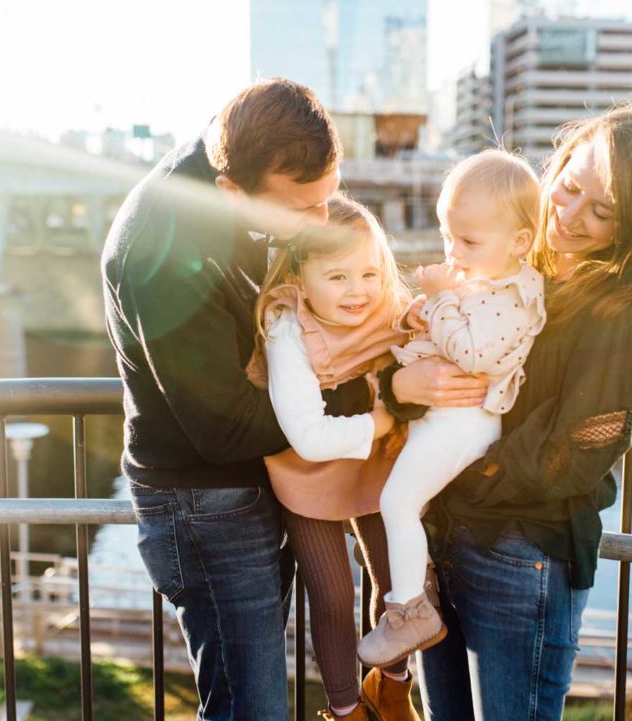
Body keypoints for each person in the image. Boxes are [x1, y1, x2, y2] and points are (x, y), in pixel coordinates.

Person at [383, 99, 632, 721]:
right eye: (570, 187)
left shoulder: (620, 314)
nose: (571, 215)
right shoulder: (522, 274)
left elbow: (575, 452)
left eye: (602, 211)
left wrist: (473, 474)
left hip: (521, 554)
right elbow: (449, 364)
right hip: (455, 536)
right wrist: (402, 387)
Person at [101, 78, 358, 721]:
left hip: (242, 490)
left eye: (327, 199)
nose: (321, 222)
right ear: (232, 192)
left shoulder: (240, 152)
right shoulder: (164, 252)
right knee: (251, 709)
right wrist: (362, 398)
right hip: (203, 505)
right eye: (302, 209)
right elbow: (224, 428)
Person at [356, 150, 545, 668]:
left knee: (397, 503)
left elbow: (473, 353)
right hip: (442, 418)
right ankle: (417, 597)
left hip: (463, 422)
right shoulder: (484, 280)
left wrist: (440, 300)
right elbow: (447, 332)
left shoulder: (514, 296)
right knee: (404, 505)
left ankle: (409, 612)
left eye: (468, 241)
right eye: (447, 237)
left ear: (520, 241)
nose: (454, 252)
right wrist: (422, 314)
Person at [245, 195, 421, 721]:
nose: (358, 291)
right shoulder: (287, 326)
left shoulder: (390, 309)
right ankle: (346, 710)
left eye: (369, 273)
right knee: (331, 593)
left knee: (398, 580)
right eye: (338, 276)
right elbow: (310, 438)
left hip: (375, 461)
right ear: (299, 275)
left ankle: (393, 687)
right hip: (310, 471)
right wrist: (384, 420)